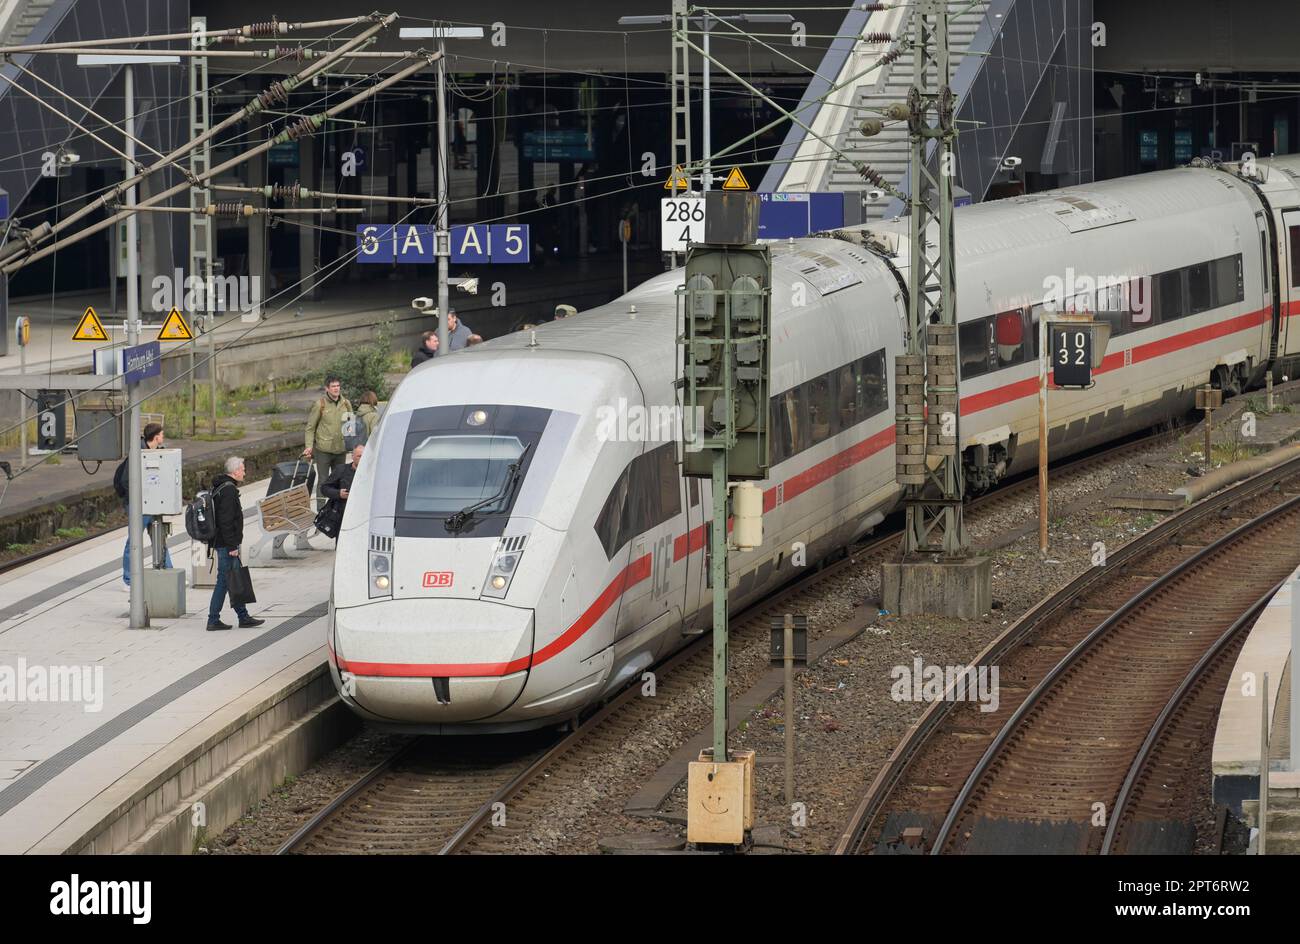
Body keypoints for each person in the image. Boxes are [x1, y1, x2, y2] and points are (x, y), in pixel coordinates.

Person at [206, 456, 265, 631]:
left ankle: (243, 616)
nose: (245, 472)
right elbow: (226, 521)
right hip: (226, 544)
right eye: (243, 469)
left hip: (224, 542)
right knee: (224, 581)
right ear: (235, 471)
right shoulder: (229, 490)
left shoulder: (221, 486)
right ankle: (213, 619)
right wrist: (232, 547)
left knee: (233, 578)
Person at [115, 422, 173, 587]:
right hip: (139, 505)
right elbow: (126, 481)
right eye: (162, 435)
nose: (163, 437)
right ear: (156, 437)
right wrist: (139, 498)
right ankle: (128, 579)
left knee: (159, 537)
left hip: (154, 503)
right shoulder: (138, 453)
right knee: (133, 542)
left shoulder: (159, 452)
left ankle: (168, 571)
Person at [304, 375, 352, 509]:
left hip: (340, 449)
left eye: (338, 386)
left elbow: (350, 426)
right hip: (323, 450)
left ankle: (337, 508)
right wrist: (308, 447)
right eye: (333, 386)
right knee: (323, 481)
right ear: (327, 388)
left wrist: (352, 444)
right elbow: (310, 428)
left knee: (340, 480)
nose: (336, 389)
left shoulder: (346, 403)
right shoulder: (320, 404)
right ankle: (321, 509)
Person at [318, 445, 364, 540]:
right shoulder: (341, 470)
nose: (362, 459)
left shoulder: (372, 471)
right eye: (359, 456)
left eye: (364, 456)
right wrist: (338, 493)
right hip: (343, 514)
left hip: (363, 514)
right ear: (352, 456)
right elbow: (324, 488)